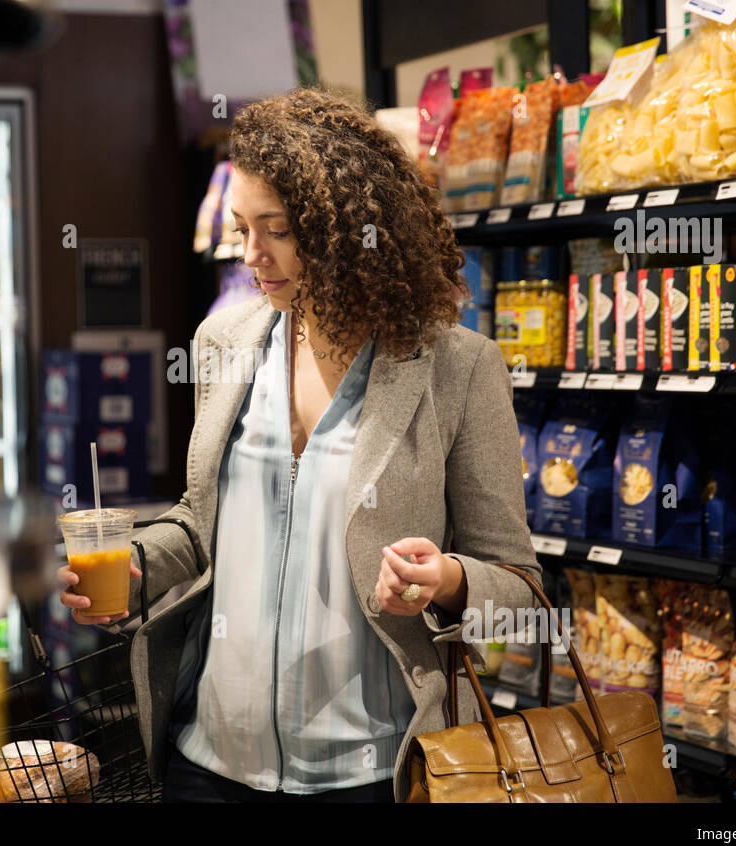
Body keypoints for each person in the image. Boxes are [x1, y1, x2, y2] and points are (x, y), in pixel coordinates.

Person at [57, 88, 541, 803]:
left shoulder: (455, 367)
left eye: (276, 229)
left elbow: (522, 590)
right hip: (209, 765)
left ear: (344, 227)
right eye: (242, 227)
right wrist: (135, 565)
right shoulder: (224, 343)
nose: (252, 254)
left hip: (372, 771)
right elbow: (202, 521)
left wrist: (450, 581)